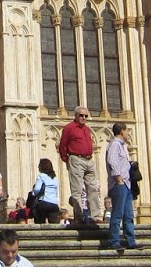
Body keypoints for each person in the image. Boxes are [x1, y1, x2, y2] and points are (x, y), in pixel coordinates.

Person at [57, 105, 101, 227]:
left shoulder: (86, 129)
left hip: (89, 160)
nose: (84, 118)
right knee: (76, 190)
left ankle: (94, 215)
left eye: (86, 116)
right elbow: (63, 145)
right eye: (81, 115)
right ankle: (79, 216)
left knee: (92, 188)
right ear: (75, 116)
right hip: (76, 159)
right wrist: (67, 159)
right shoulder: (69, 128)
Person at [104, 122, 137, 254]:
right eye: (127, 131)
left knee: (128, 215)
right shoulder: (114, 144)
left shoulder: (122, 146)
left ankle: (131, 241)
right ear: (122, 131)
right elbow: (112, 161)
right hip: (120, 184)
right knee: (117, 214)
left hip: (126, 184)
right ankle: (114, 241)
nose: (128, 133)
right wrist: (118, 179)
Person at [28, 158, 62, 224]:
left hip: (43, 202)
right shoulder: (54, 177)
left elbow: (37, 189)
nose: (38, 167)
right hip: (54, 204)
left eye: (39, 165)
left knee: (39, 222)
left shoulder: (41, 176)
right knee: (54, 224)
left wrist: (33, 194)